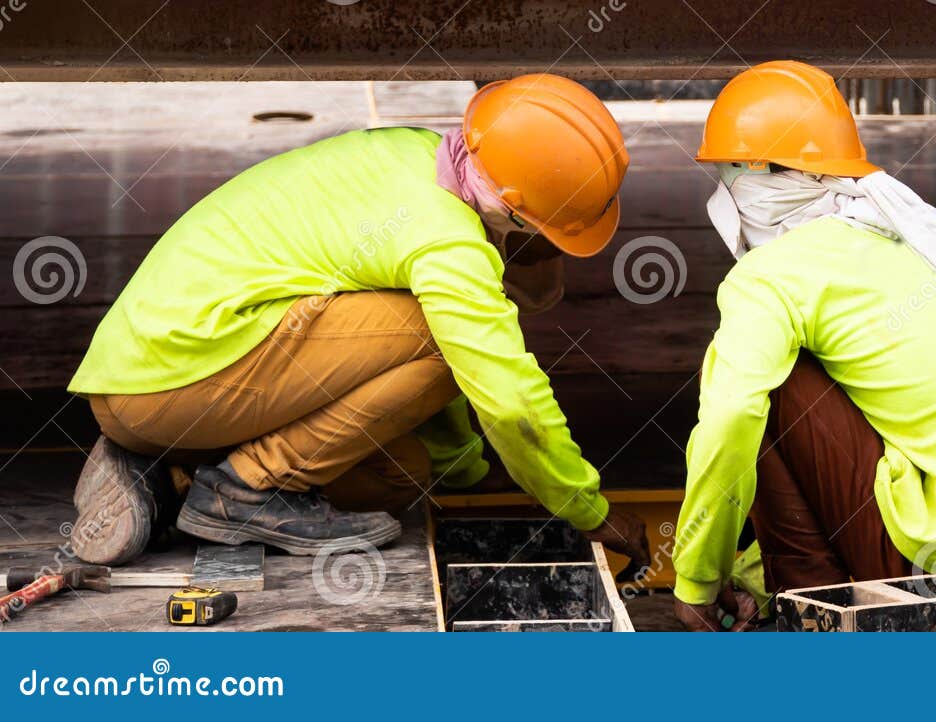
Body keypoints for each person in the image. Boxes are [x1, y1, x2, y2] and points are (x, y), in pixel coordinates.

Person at [66, 75, 648, 572]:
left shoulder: (424, 154)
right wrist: (588, 510)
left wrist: (463, 472)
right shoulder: (446, 242)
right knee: (444, 337)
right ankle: (245, 486)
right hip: (164, 381)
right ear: (520, 210)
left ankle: (167, 477)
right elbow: (510, 399)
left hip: (168, 369)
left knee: (401, 475)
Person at [669, 61, 936, 631]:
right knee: (815, 370)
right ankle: (796, 592)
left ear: (761, 170)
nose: (725, 190)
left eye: (727, 173)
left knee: (758, 387)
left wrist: (697, 579)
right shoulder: (910, 239)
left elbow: (730, 418)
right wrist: (747, 574)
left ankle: (821, 614)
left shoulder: (769, 276)